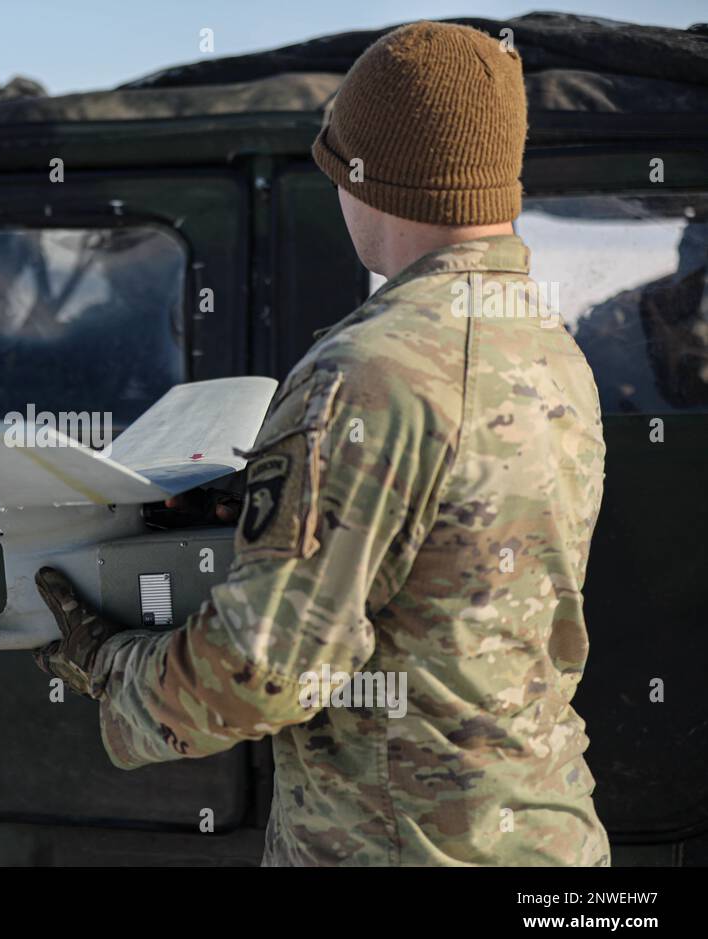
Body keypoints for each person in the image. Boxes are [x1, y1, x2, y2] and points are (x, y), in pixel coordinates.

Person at [33, 21, 610, 866]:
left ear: (367, 178)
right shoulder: (548, 347)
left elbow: (258, 675)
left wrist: (108, 661)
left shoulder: (368, 371)